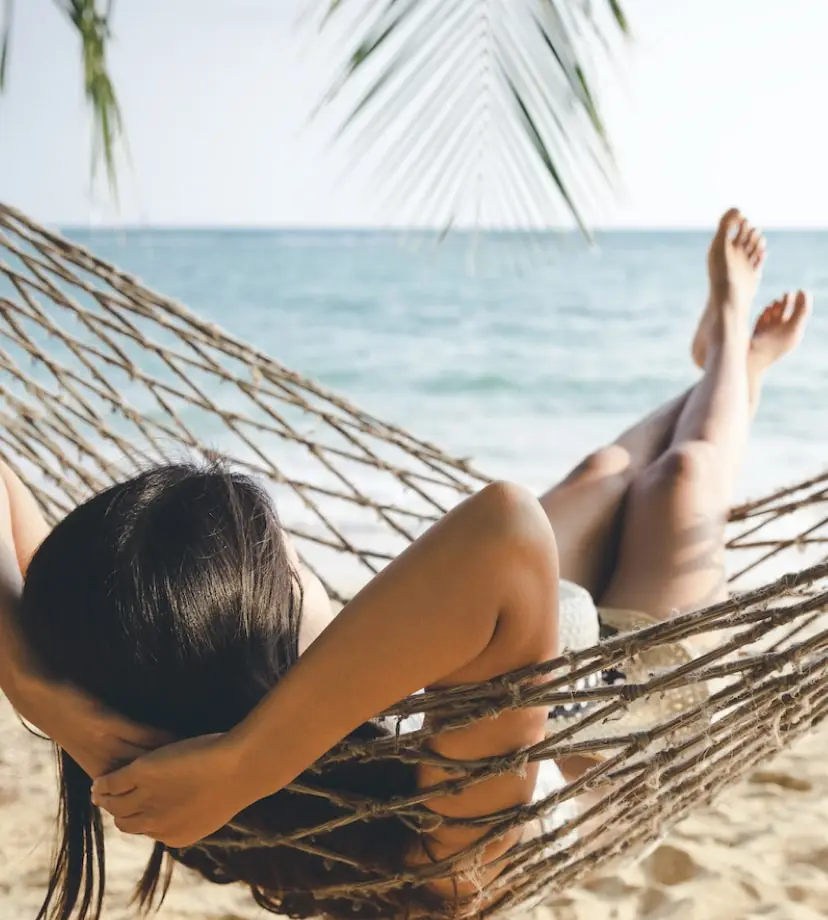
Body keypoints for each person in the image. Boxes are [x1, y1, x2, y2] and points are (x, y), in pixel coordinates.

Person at [0, 209, 812, 920]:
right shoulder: (429, 837)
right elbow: (504, 530)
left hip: (513, 627)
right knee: (683, 478)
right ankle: (735, 344)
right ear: (259, 664)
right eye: (294, 574)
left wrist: (39, 691)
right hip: (615, 706)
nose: (309, 570)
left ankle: (719, 364)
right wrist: (250, 761)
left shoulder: (123, 696)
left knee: (605, 469)